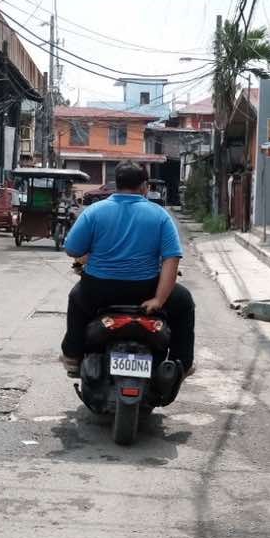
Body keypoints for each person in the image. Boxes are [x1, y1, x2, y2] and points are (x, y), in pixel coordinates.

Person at [61, 160, 194, 377]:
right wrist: (159, 300)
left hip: (98, 292)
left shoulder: (94, 212)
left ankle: (73, 356)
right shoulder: (160, 215)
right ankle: (182, 362)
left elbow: (72, 249)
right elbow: (171, 259)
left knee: (76, 299)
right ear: (144, 186)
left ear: (116, 184)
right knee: (184, 302)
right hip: (145, 291)